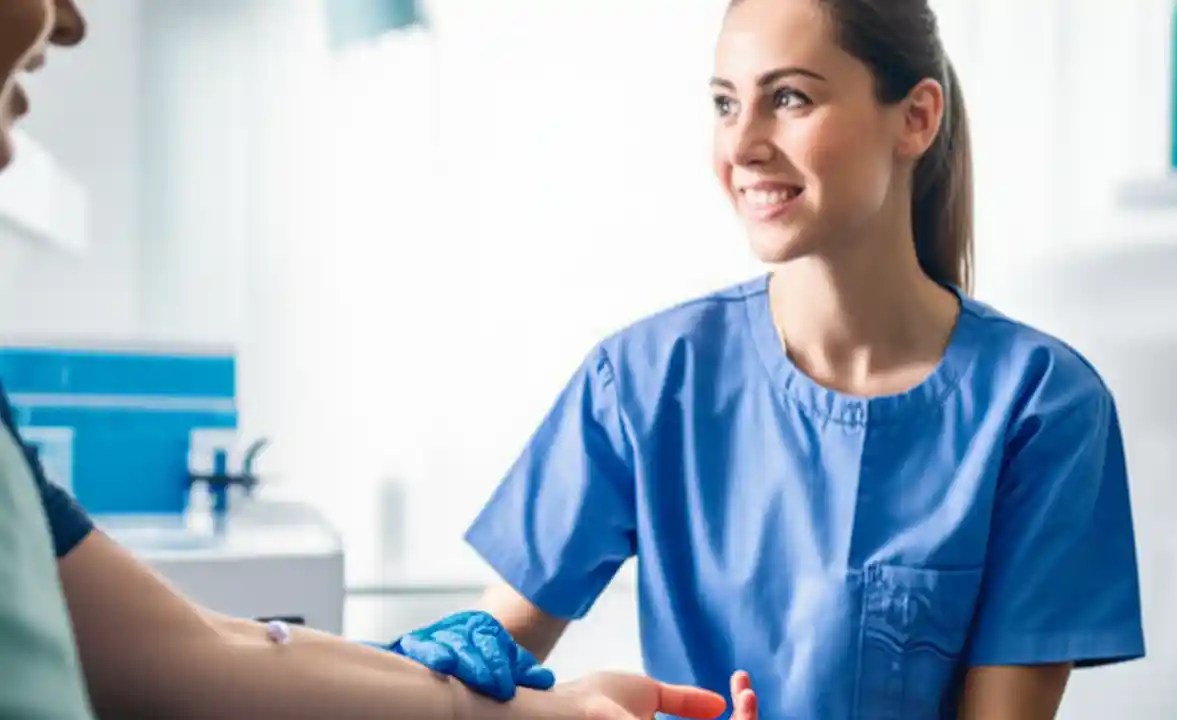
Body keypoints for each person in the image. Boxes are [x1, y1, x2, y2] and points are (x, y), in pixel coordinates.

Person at [0, 2, 729, 719]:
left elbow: (192, 653)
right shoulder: (643, 377)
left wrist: (518, 709)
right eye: (724, 105)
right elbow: (180, 667)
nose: (69, 20)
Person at [419, 0, 1147, 718]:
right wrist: (426, 675)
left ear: (917, 118)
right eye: (725, 104)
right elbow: (482, 668)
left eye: (790, 98)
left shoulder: (1041, 407)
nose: (742, 146)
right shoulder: (644, 383)